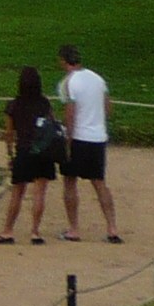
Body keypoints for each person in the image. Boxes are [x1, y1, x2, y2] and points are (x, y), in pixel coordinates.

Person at [55, 42, 120, 242]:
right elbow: (108, 108)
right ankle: (112, 228)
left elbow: (70, 113)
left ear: (63, 61)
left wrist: (68, 140)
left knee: (69, 182)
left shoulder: (67, 83)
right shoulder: (98, 79)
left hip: (78, 138)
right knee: (100, 183)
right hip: (97, 137)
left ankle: (74, 228)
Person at [0, 66, 63, 243]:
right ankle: (35, 231)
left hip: (23, 150)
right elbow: (52, 125)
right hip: (42, 150)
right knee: (39, 192)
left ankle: (8, 230)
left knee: (18, 192)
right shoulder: (44, 103)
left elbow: (9, 133)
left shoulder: (13, 105)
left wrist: (9, 155)